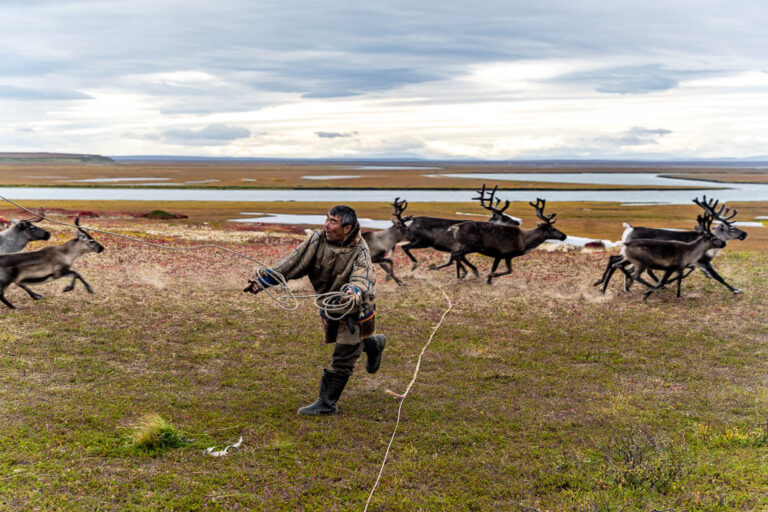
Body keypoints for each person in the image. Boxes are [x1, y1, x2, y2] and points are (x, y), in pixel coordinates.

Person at [245, 205, 386, 416]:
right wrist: (263, 281)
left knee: (344, 355)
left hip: (354, 307)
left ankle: (327, 404)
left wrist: (352, 290)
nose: (326, 225)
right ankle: (373, 343)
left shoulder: (361, 250)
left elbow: (363, 276)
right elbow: (292, 263)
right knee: (348, 343)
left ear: (347, 228)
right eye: (327, 219)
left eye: (332, 221)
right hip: (329, 304)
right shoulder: (317, 240)